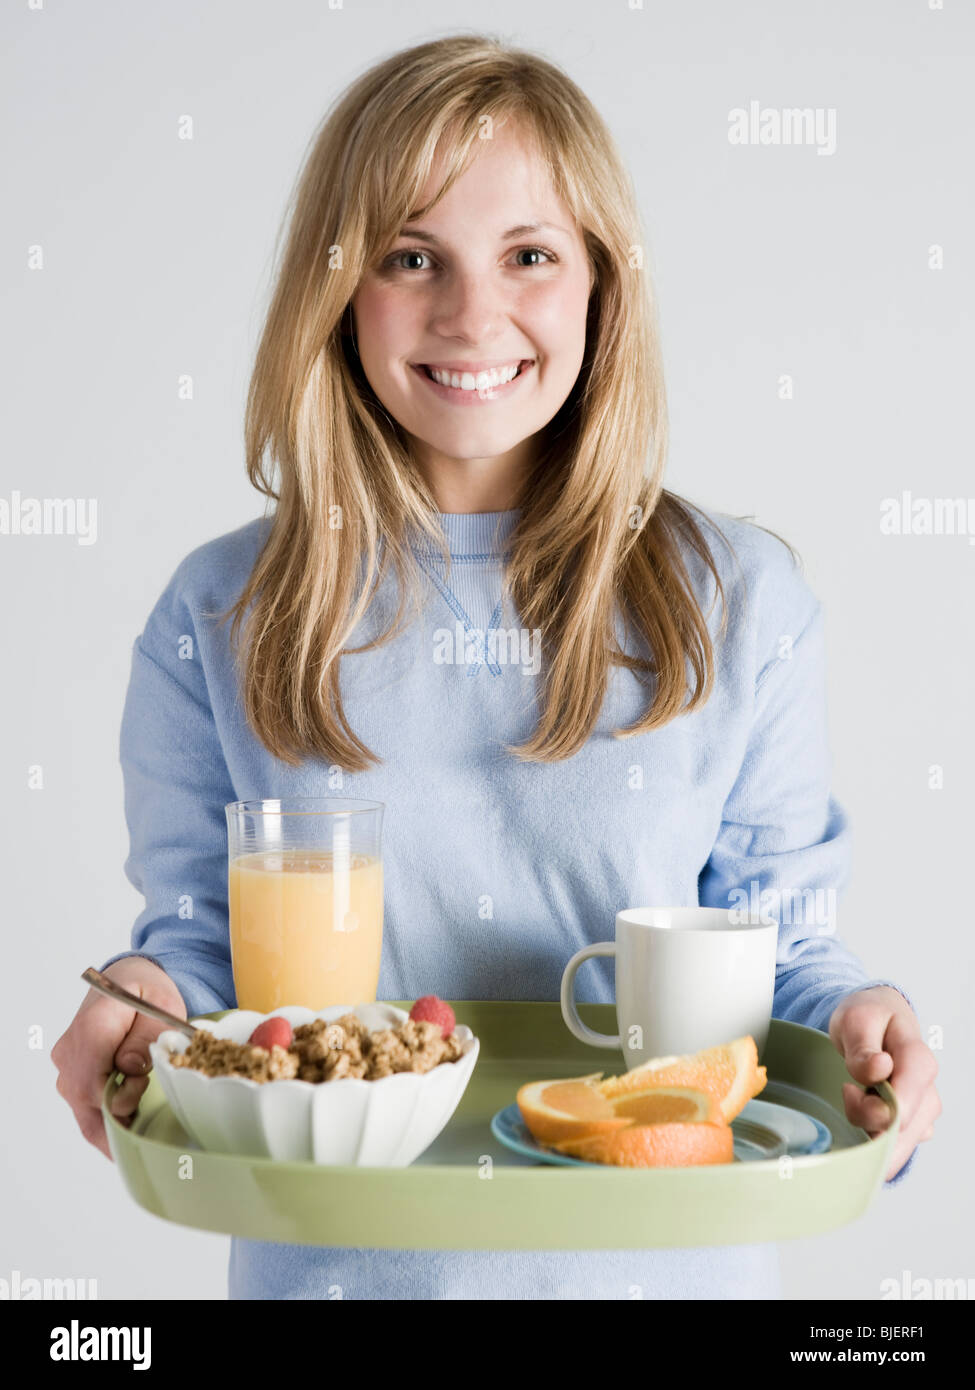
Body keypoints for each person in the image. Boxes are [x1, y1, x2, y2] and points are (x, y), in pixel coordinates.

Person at [51, 35, 940, 1300]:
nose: (473, 316)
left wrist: (862, 1020)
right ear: (338, 288)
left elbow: (782, 952)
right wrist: (140, 998)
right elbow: (202, 962)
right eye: (413, 258)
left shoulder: (740, 599)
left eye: (530, 255)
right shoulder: (219, 610)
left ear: (599, 287)